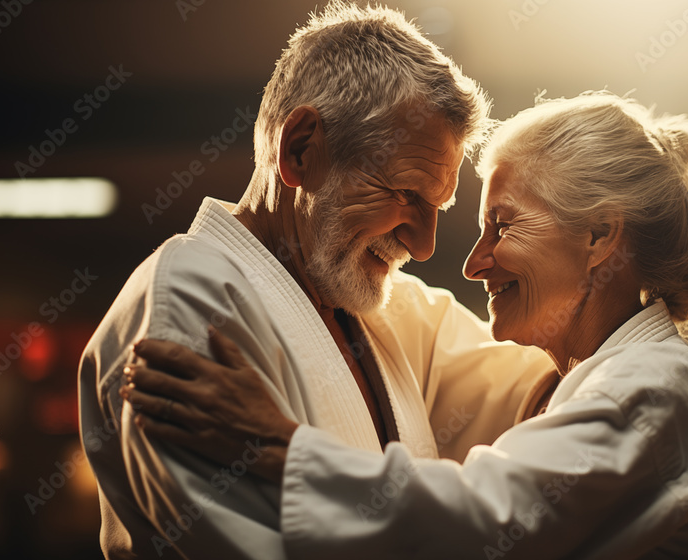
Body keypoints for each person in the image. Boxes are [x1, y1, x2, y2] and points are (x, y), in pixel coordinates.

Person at [124, 92, 688, 559]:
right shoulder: (616, 379)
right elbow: (423, 324)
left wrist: (280, 447)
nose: (472, 261)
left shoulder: (656, 392)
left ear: (599, 236)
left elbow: (484, 521)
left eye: (502, 226)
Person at [78, 4, 555, 559]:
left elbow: (552, 383)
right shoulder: (189, 303)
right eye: (405, 195)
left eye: (437, 208)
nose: (423, 246)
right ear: (302, 149)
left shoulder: (375, 304)